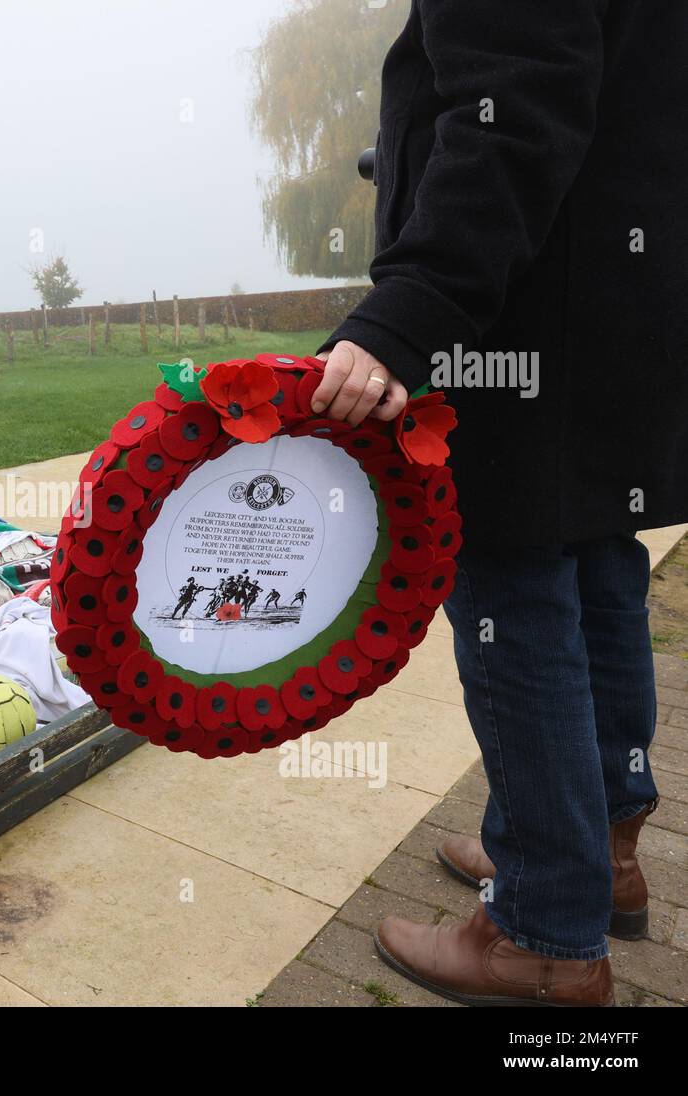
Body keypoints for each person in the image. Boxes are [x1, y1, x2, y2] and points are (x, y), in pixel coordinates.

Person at [313, 0, 687, 1007]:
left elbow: (509, 106)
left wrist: (409, 309)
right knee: (598, 569)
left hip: (521, 322)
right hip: (613, 303)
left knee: (510, 594)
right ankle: (596, 849)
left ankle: (542, 931)